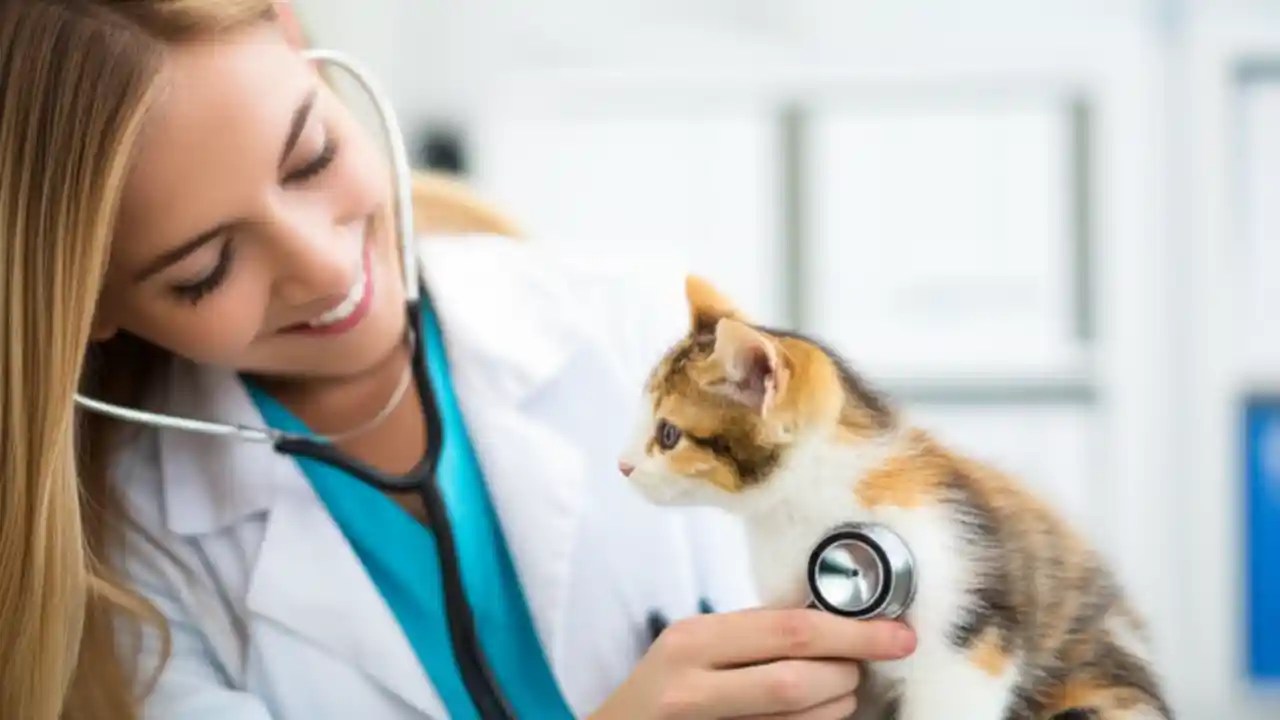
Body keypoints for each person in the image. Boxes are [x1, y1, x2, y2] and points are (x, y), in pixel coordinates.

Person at [0, 2, 917, 719]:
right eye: (205, 270)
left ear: (293, 35)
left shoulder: (642, 323)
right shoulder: (128, 568)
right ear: (88, 311)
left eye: (312, 157)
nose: (324, 269)